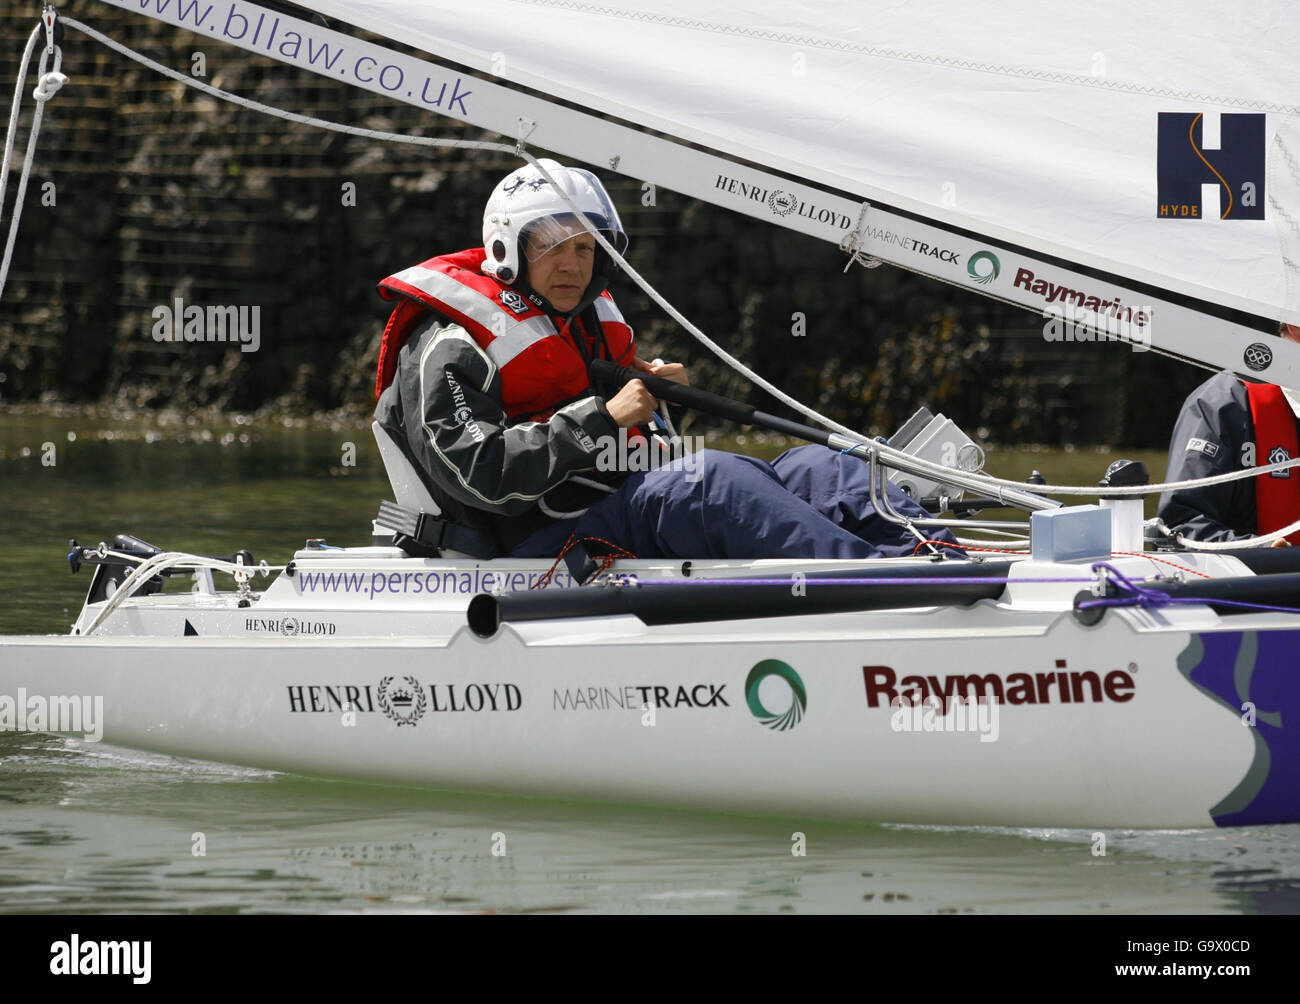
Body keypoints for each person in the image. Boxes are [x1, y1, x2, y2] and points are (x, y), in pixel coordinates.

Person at [372, 159, 954, 571]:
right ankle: (889, 579)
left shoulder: (579, 321)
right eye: (552, 245)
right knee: (715, 482)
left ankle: (942, 557)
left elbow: (607, 424)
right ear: (508, 248)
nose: (572, 263)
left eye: (584, 247)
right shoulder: (450, 341)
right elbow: (481, 473)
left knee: (821, 466)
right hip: (530, 541)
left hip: (614, 501)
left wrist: (646, 398)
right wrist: (603, 417)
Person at [1157, 323, 1300, 544]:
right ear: (1295, 327)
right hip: (1259, 575)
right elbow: (1182, 523)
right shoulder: (1221, 406)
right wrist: (1263, 552)